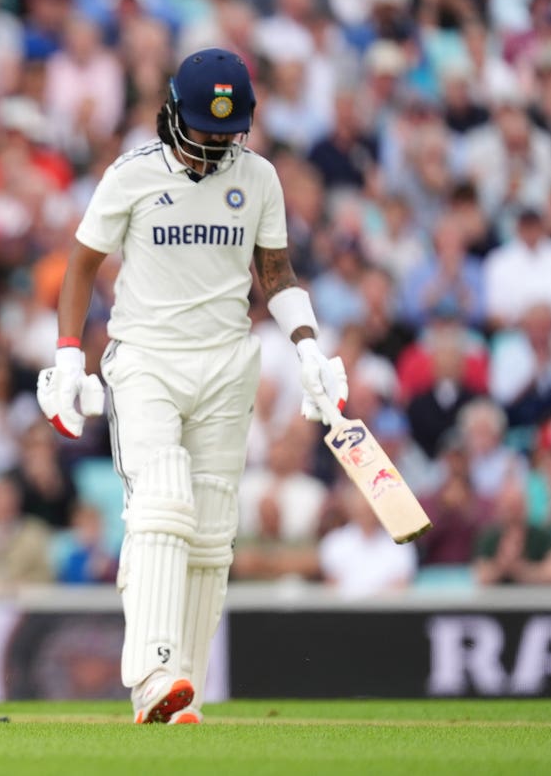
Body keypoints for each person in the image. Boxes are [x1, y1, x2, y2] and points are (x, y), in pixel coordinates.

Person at [39, 48, 347, 724]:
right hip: (146, 357)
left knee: (210, 534)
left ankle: (185, 691)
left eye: (229, 132)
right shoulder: (132, 174)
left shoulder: (259, 177)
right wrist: (69, 358)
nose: (216, 145)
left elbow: (276, 272)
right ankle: (151, 671)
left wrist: (310, 349)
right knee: (161, 499)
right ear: (174, 113)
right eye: (205, 131)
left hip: (227, 363)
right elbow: (80, 265)